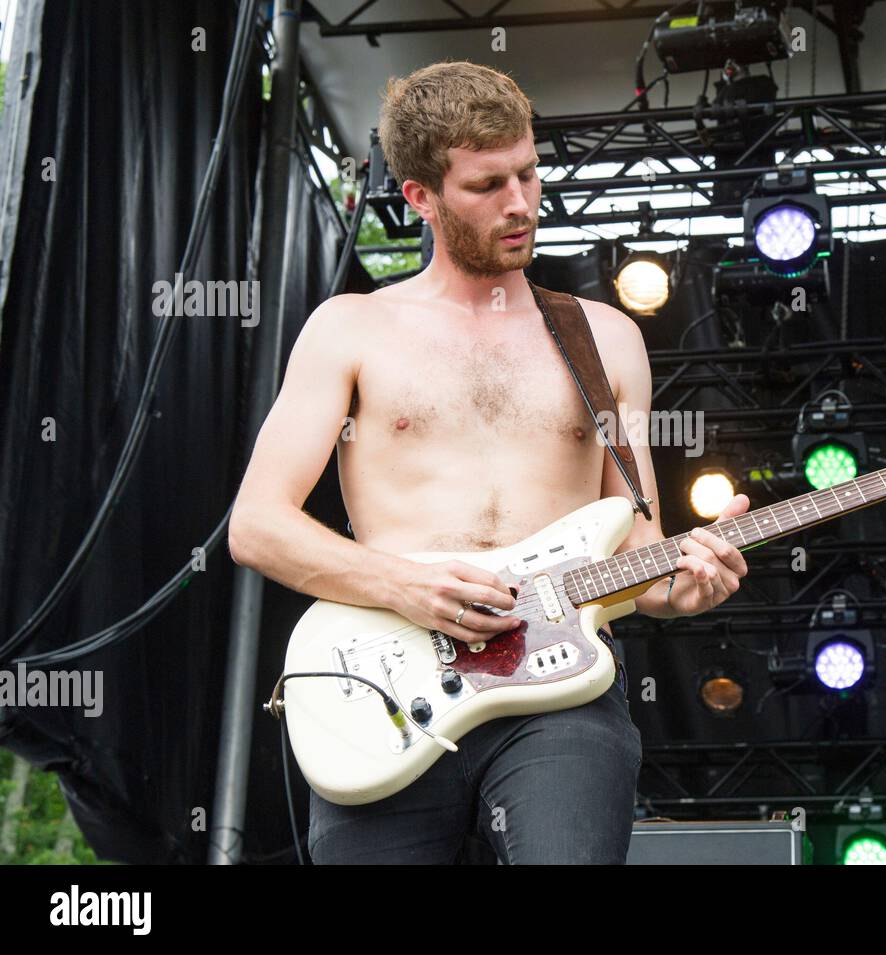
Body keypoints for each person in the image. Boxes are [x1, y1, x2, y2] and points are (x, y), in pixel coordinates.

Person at [228, 59, 750, 864]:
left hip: (562, 690)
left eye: (529, 173)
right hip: (389, 690)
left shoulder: (604, 336)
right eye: (487, 185)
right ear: (421, 199)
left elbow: (642, 556)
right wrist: (407, 583)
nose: (520, 203)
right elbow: (258, 525)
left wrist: (683, 588)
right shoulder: (350, 327)